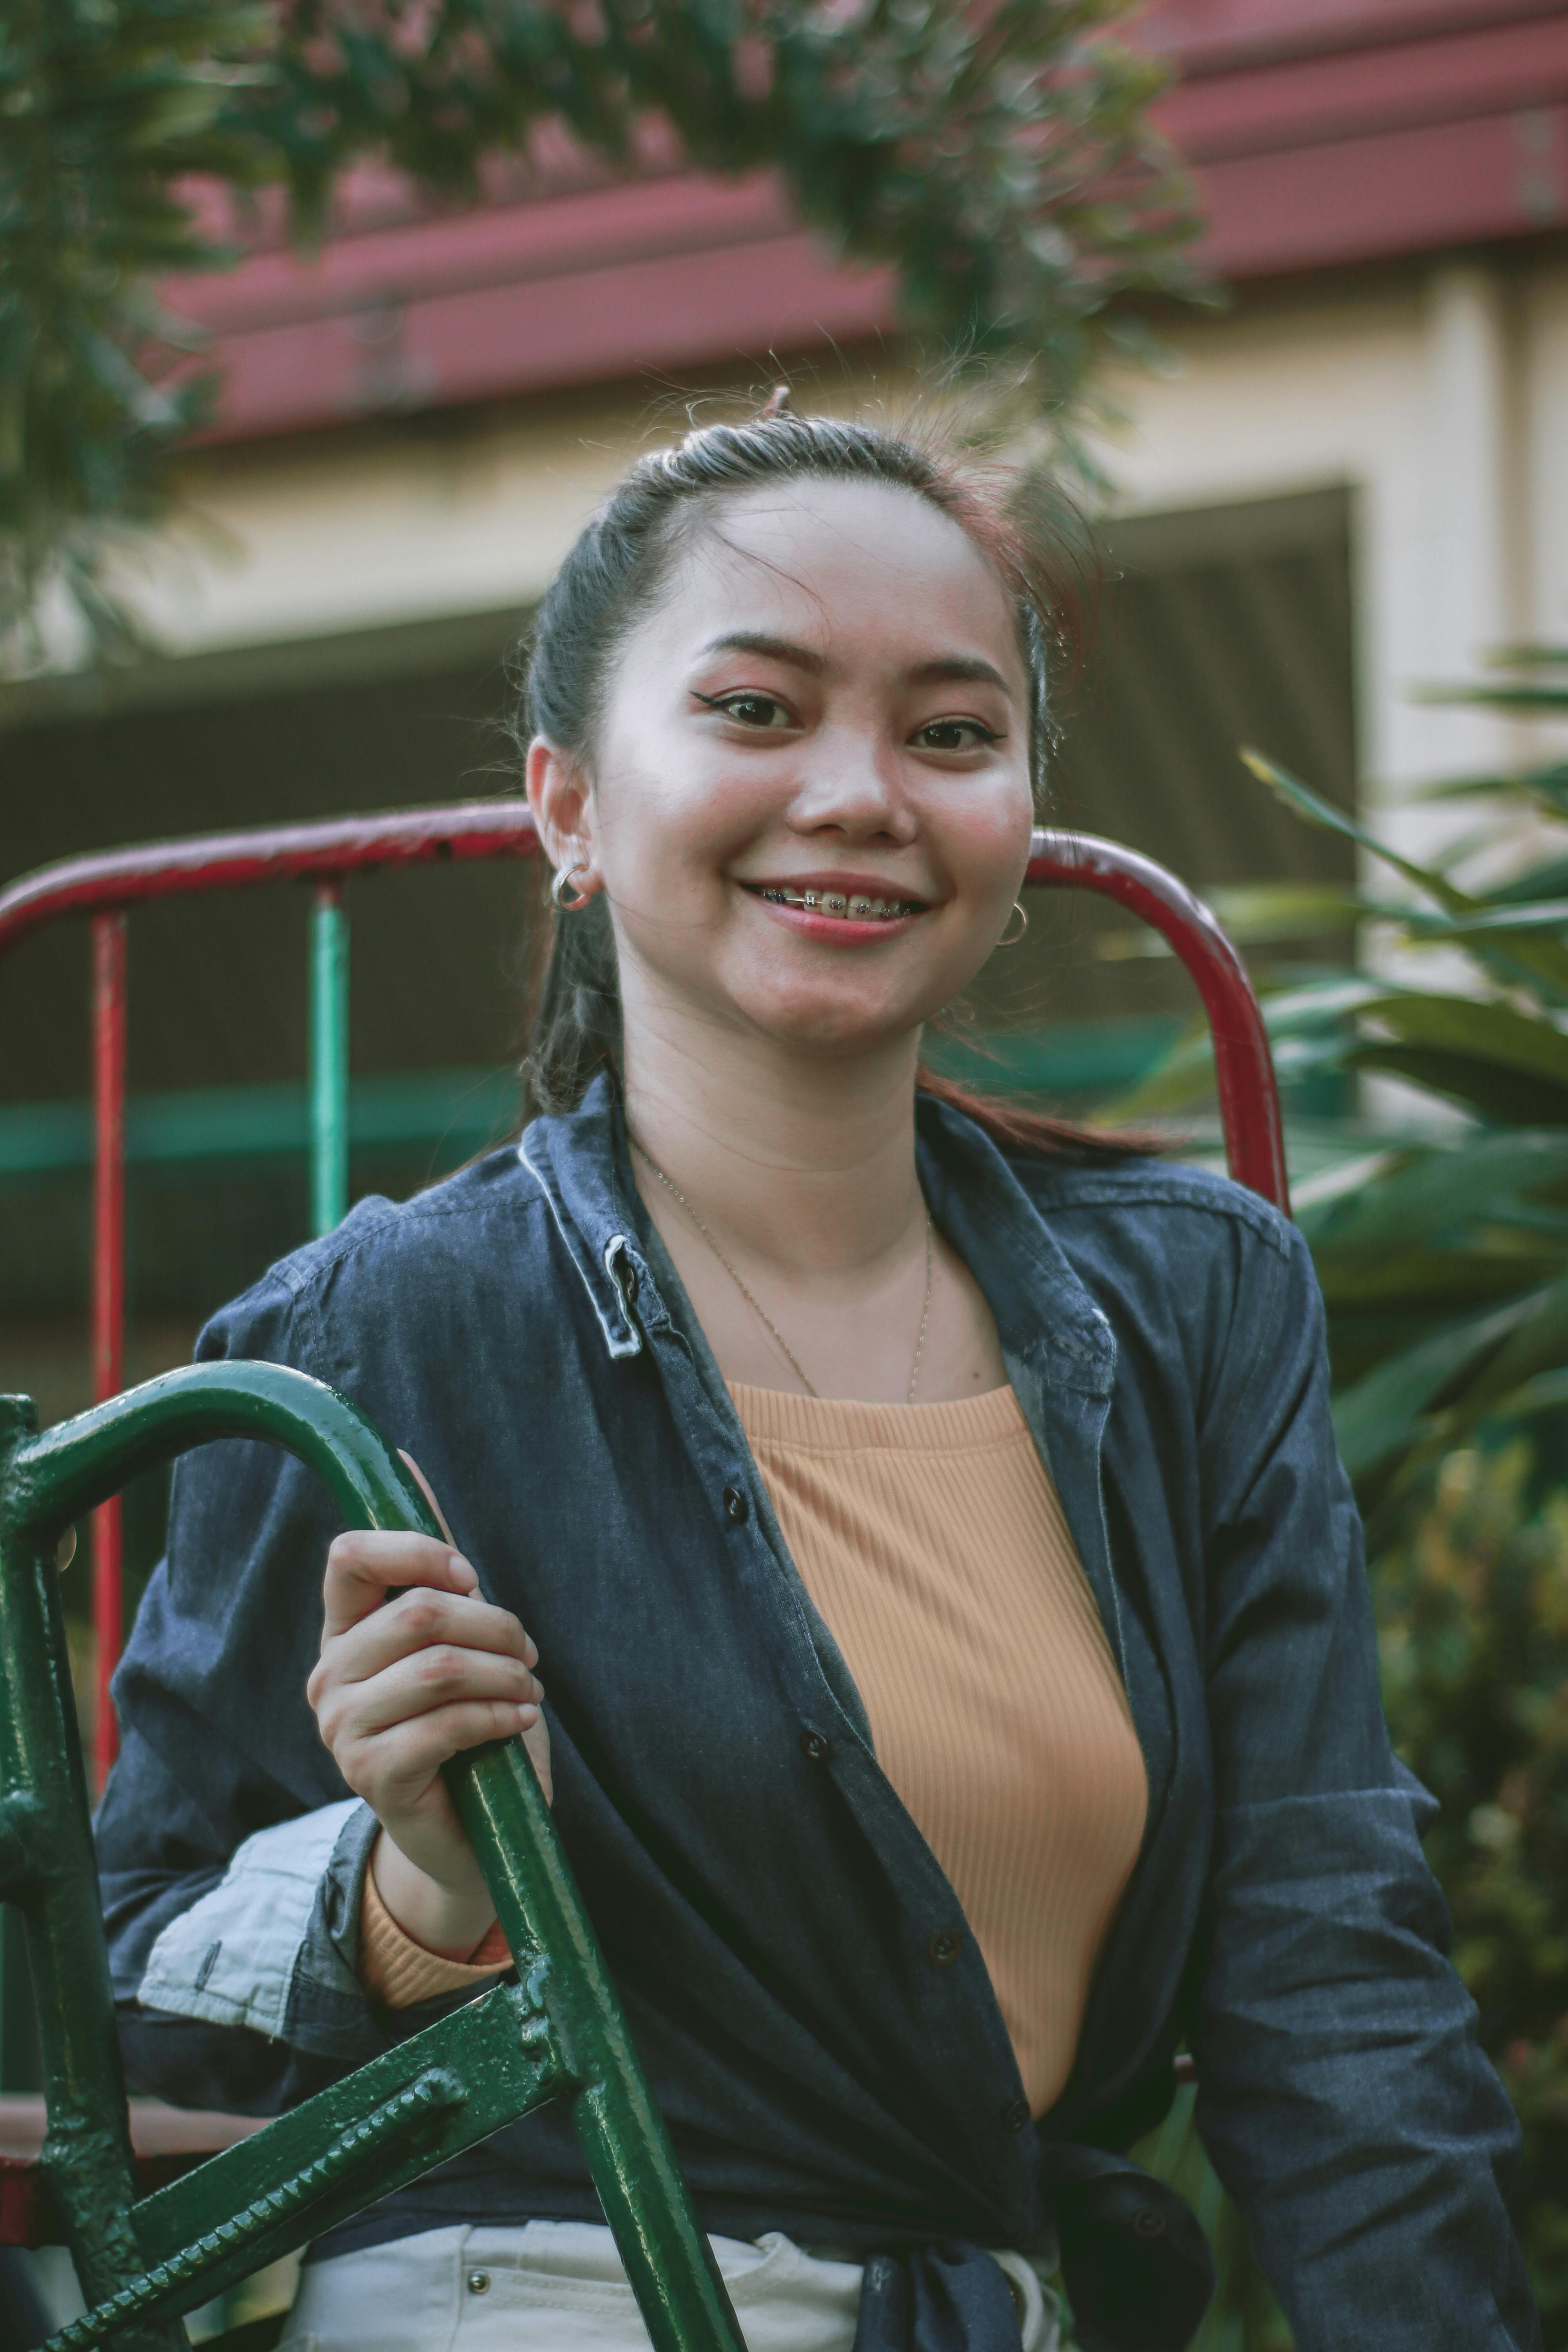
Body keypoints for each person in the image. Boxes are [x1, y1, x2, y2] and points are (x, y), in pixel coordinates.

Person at [96, 399, 1537, 2352]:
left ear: (1018, 825)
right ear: (568, 807)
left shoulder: (1199, 1305)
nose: (862, 792)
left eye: (949, 733)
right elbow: (112, 1995)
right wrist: (415, 1893)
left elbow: (1329, 1969)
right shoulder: (370, 1342)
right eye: (758, 711)